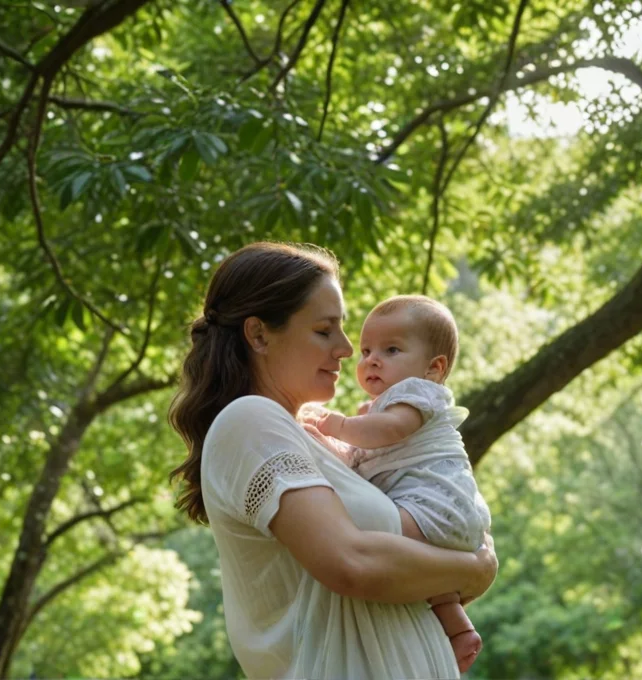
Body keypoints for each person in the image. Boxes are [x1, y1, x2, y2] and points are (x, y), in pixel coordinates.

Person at [169, 242, 498, 679]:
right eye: (325, 331)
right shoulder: (250, 419)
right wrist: (474, 569)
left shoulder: (314, 442)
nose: (346, 349)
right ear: (259, 334)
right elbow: (353, 563)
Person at [302, 295, 491, 674]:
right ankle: (458, 627)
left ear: (433, 368)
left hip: (436, 505)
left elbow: (388, 432)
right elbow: (360, 454)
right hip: (437, 513)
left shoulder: (417, 395)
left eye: (391, 350)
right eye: (367, 350)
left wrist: (333, 425)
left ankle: (455, 619)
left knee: (384, 545)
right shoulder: (378, 409)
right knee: (424, 570)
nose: (371, 359)